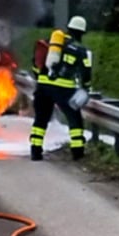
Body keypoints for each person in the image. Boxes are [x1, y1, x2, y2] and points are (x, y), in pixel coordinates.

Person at [29, 15, 93, 161]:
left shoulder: (49, 42)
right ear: (80, 33)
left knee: (40, 120)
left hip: (43, 87)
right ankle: (77, 152)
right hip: (64, 89)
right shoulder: (80, 50)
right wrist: (86, 88)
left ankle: (35, 151)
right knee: (74, 119)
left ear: (69, 28)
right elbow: (86, 72)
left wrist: (41, 79)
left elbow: (36, 62)